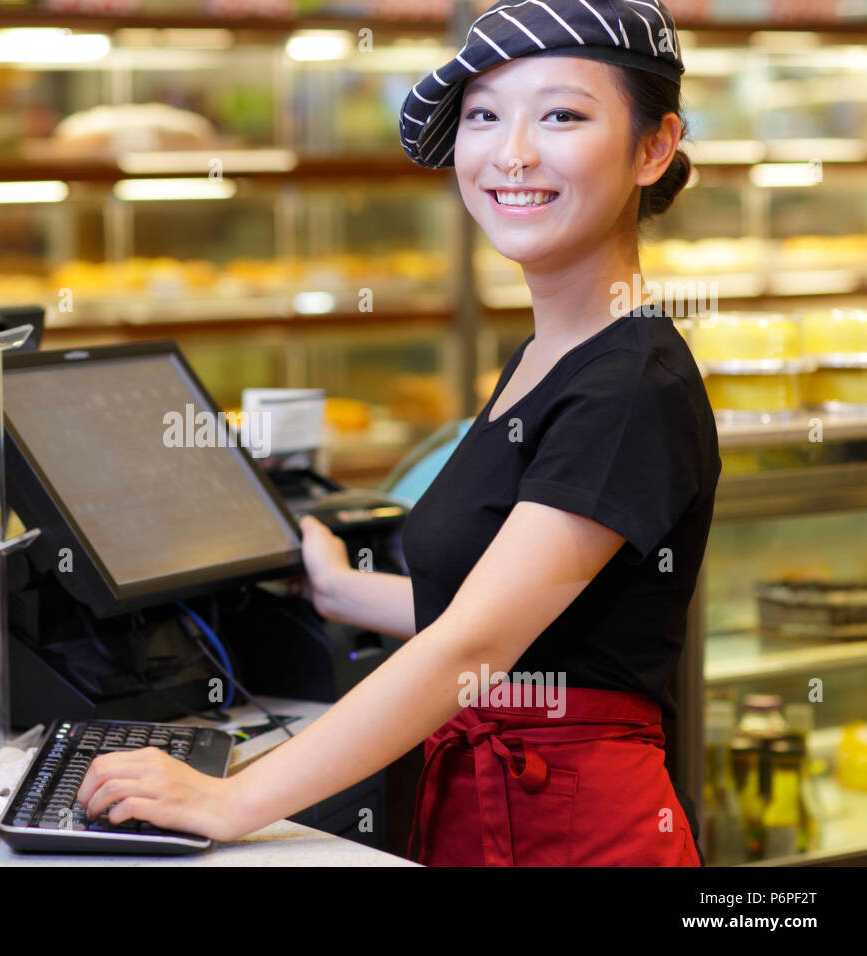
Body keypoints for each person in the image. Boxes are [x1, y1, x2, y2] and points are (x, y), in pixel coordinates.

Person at [77, 0, 721, 866]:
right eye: (485, 115)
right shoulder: (551, 353)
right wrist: (340, 588)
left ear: (654, 147)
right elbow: (527, 607)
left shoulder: (630, 386)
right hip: (496, 797)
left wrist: (231, 802)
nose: (513, 152)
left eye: (562, 114)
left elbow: (478, 641)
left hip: (571, 825)